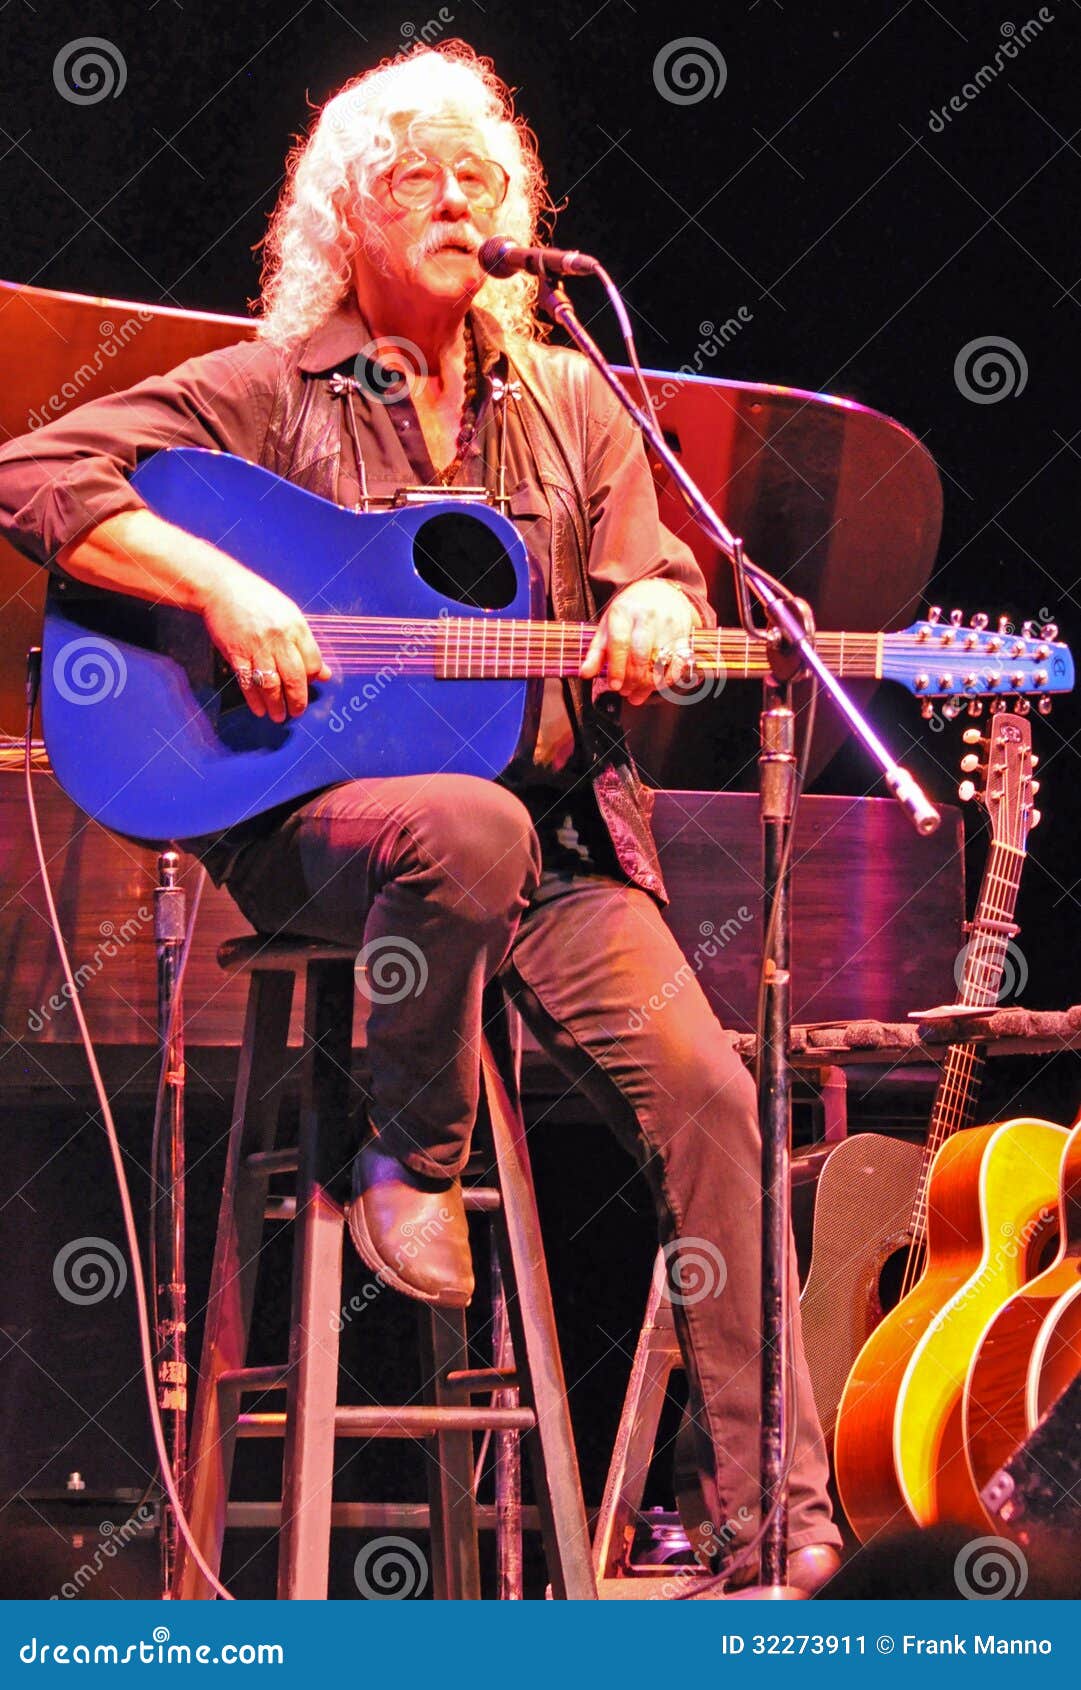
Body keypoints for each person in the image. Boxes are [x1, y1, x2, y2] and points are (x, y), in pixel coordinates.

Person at [0, 41, 841, 1590]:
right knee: (458, 820)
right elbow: (37, 469)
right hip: (338, 835)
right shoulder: (265, 390)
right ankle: (408, 1154)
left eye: (481, 177)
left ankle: (774, 1526)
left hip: (563, 851)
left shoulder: (578, 403)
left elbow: (662, 568)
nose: (459, 200)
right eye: (416, 177)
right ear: (347, 214)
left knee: (714, 1097)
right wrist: (227, 583)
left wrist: (657, 605)